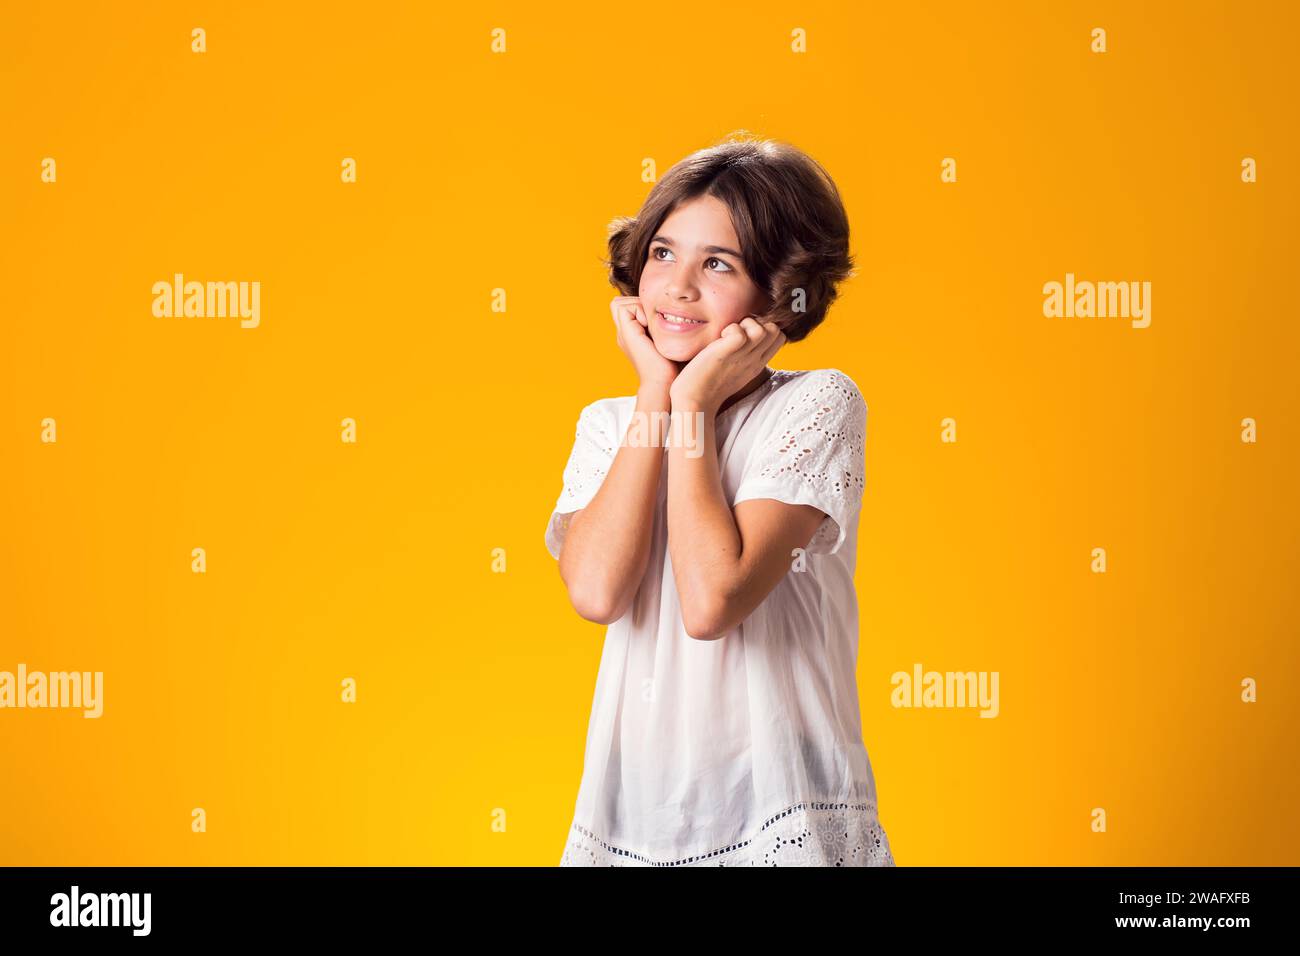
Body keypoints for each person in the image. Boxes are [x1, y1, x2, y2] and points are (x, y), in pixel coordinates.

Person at [545, 133, 895, 866]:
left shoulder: (817, 404)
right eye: (663, 253)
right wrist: (656, 396)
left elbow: (712, 603)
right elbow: (597, 592)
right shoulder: (612, 425)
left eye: (719, 264)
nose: (677, 287)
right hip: (636, 804)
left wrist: (695, 403)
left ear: (779, 290)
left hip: (777, 791)